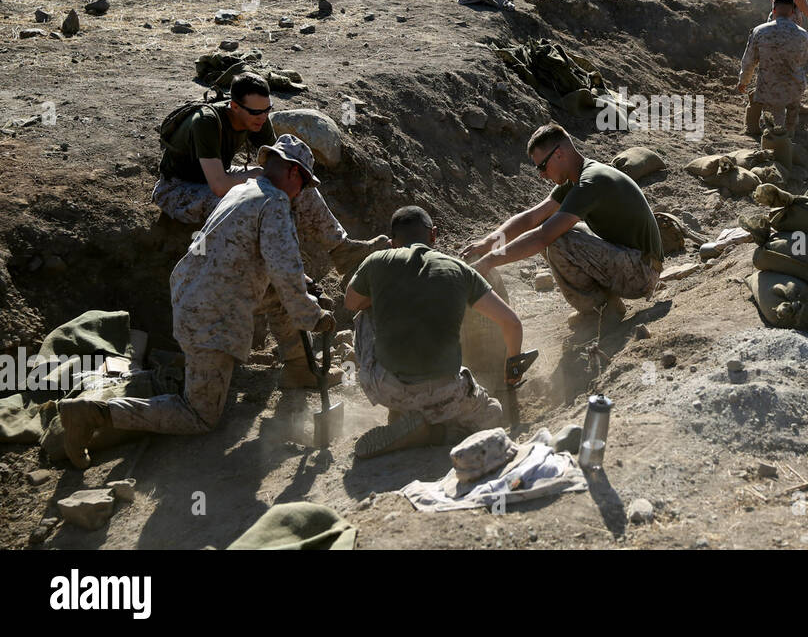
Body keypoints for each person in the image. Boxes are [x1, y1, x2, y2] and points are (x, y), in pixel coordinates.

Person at [58, 136, 336, 467]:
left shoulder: (242, 191)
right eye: (303, 185)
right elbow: (285, 270)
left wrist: (303, 289)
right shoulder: (275, 203)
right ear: (294, 173)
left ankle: (299, 370)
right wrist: (314, 316)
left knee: (277, 301)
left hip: (193, 294)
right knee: (200, 416)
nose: (301, 194)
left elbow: (252, 257)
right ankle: (94, 414)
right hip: (213, 316)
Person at [151, 73, 387, 281]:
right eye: (256, 112)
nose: (263, 117)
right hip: (179, 188)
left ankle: (341, 250)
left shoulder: (256, 119)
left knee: (299, 181)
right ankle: (282, 271)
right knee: (239, 203)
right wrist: (254, 175)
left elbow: (282, 167)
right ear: (234, 106)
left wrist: (287, 180)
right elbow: (219, 186)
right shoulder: (207, 122)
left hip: (220, 175)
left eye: (267, 110)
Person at [344, 206, 526, 459]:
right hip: (446, 394)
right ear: (434, 235)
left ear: (392, 241)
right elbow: (512, 323)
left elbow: (351, 303)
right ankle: (435, 434)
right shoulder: (461, 271)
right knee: (493, 415)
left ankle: (405, 415)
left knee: (364, 312)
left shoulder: (376, 262)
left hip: (387, 388)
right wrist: (513, 370)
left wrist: (386, 294)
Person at [460, 124, 663, 330]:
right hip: (634, 260)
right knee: (549, 227)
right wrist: (487, 244)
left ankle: (600, 312)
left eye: (542, 166)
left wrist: (488, 262)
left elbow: (543, 237)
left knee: (556, 239)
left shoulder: (590, 182)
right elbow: (531, 218)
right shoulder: (579, 177)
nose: (541, 175)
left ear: (558, 154)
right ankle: (606, 305)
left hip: (641, 273)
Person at [738, 0, 808, 136]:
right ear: (792, 12)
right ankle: (790, 135)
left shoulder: (760, 31)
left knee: (774, 123)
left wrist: (743, 81)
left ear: (774, 10)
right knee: (790, 122)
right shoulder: (802, 34)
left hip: (769, 87)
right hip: (794, 87)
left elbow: (749, 61)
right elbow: (803, 60)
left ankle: (769, 135)